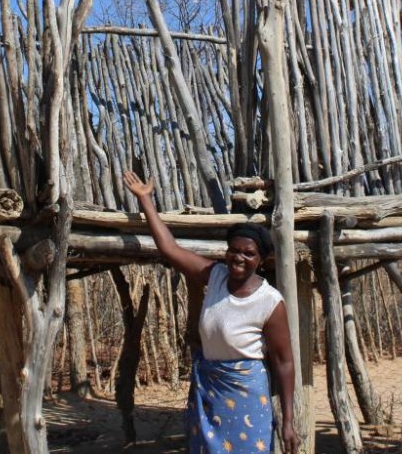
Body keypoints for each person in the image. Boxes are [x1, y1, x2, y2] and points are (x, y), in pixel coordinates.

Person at [123, 171, 300, 454]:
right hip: (209, 391)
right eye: (233, 250)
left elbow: (284, 362)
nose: (238, 258)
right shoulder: (215, 276)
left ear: (261, 260)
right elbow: (169, 249)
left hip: (247, 396)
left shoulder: (270, 302)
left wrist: (289, 420)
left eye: (248, 253)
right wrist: (145, 199)